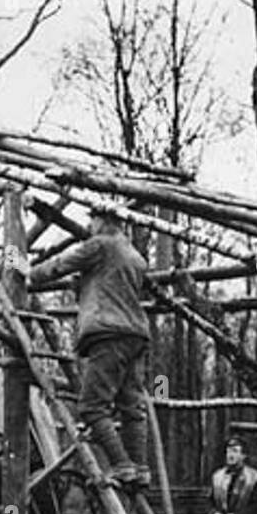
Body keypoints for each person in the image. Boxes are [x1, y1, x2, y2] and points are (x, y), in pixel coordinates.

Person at [65, 203, 152, 488]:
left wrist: (24, 270)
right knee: (132, 407)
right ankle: (140, 468)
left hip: (108, 333)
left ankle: (122, 464)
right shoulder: (134, 255)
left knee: (91, 407)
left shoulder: (100, 245)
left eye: (93, 221)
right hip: (136, 335)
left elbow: (61, 264)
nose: (89, 226)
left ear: (103, 221)